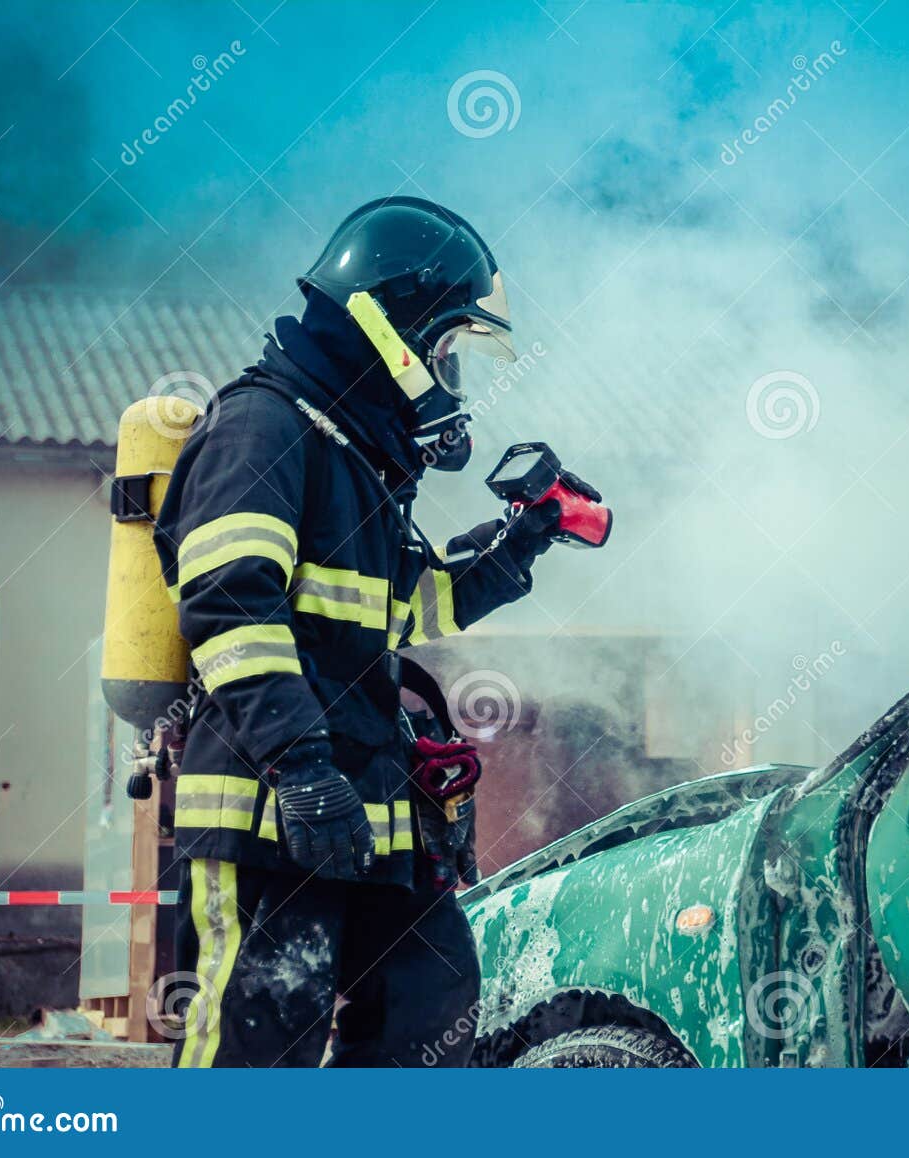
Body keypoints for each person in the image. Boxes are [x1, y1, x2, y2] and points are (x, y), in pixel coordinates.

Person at [153, 196, 585, 1067]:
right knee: (261, 1041)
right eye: (445, 348)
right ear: (392, 334)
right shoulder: (263, 430)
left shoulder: (357, 456)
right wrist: (302, 767)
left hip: (366, 810)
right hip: (270, 809)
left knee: (430, 1004)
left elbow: (393, 609)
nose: (448, 373)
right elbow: (231, 604)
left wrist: (512, 551)